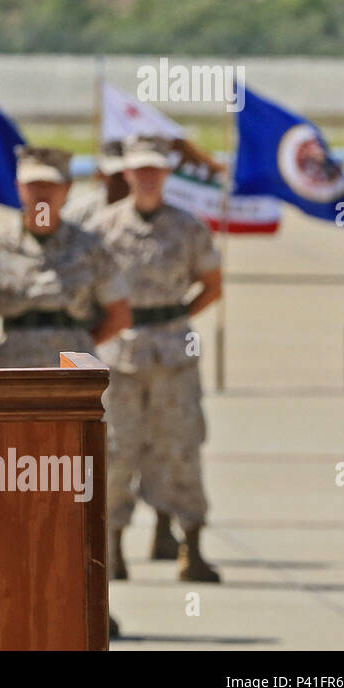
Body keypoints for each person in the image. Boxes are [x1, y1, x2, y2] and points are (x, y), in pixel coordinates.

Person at [95, 134, 223, 584]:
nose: (148, 177)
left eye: (156, 169)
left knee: (182, 447)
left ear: (167, 174)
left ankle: (193, 545)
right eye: (140, 169)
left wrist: (177, 314)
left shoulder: (188, 227)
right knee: (115, 451)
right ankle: (111, 550)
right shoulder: (103, 227)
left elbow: (212, 282)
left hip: (172, 354)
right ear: (126, 173)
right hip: (121, 356)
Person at [64, 139, 183, 560]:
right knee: (116, 445)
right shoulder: (85, 219)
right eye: (115, 174)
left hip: (159, 350)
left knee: (168, 441)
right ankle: (110, 543)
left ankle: (166, 524)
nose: (120, 180)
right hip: (107, 347)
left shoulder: (169, 221)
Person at [0, 145, 131, 369]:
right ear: (19, 188)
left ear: (67, 189)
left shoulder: (90, 247)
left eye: (50, 185)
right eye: (34, 185)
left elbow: (119, 315)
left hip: (74, 371)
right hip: (15, 368)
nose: (42, 193)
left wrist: (82, 345)